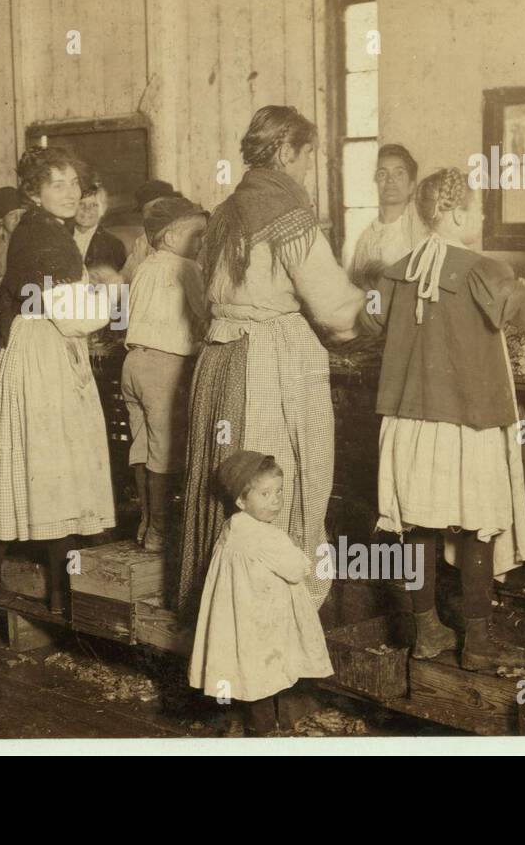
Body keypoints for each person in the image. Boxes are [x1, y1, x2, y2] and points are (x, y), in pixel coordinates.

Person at [361, 169, 525, 672]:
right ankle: (480, 643)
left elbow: (368, 320)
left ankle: (426, 631)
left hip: (408, 422)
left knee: (419, 526)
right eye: (481, 209)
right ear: (460, 214)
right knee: (476, 529)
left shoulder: (396, 270)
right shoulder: (483, 270)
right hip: (470, 422)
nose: (484, 217)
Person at [177, 105, 363, 617]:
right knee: (274, 475)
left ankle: (218, 612)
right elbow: (332, 305)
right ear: (285, 152)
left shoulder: (226, 210)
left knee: (226, 478)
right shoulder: (283, 208)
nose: (307, 170)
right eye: (307, 158)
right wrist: (367, 315)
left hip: (220, 359)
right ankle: (279, 613)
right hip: (264, 361)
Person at [0, 145, 117, 616]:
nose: (71, 192)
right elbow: (77, 318)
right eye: (58, 184)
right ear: (34, 191)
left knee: (31, 463)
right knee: (55, 467)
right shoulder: (47, 237)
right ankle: (62, 596)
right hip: (43, 353)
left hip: (32, 349)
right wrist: (111, 287)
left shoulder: (42, 230)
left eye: (75, 183)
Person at [188, 451, 333, 736]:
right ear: (242, 500)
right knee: (266, 672)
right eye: (265, 494)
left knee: (247, 670)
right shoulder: (268, 536)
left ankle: (247, 723)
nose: (276, 500)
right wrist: (299, 551)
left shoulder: (232, 526)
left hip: (238, 614)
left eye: (279, 491)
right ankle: (265, 732)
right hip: (263, 618)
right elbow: (296, 569)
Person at [121, 196, 208, 554]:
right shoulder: (187, 268)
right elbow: (205, 314)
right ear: (171, 237)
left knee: (141, 447)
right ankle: (159, 531)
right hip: (164, 367)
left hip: (133, 364)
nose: (201, 243)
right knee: (164, 451)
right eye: (196, 235)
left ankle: (144, 523)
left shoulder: (143, 266)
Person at [347, 143, 428, 288]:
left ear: (411, 186)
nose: (390, 180)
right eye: (382, 174)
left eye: (399, 173)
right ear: (375, 184)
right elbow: (358, 289)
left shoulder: (421, 232)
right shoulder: (366, 238)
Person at [120, 179, 177, 283]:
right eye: (148, 210)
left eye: (160, 206)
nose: (154, 214)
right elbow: (126, 277)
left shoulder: (186, 233)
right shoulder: (142, 242)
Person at [72, 184, 127, 279]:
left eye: (94, 205)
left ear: (102, 210)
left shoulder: (114, 245)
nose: (86, 209)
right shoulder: (59, 236)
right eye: (81, 204)